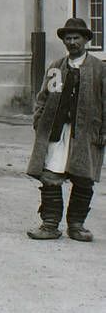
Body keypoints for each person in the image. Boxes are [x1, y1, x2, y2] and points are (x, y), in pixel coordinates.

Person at [26, 17, 105, 241]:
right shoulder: (56, 68)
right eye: (68, 38)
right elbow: (44, 97)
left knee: (83, 177)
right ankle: (50, 224)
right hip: (56, 133)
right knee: (50, 175)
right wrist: (38, 120)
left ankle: (77, 226)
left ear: (86, 40)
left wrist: (104, 131)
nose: (72, 42)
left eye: (76, 38)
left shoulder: (99, 70)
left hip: (87, 134)